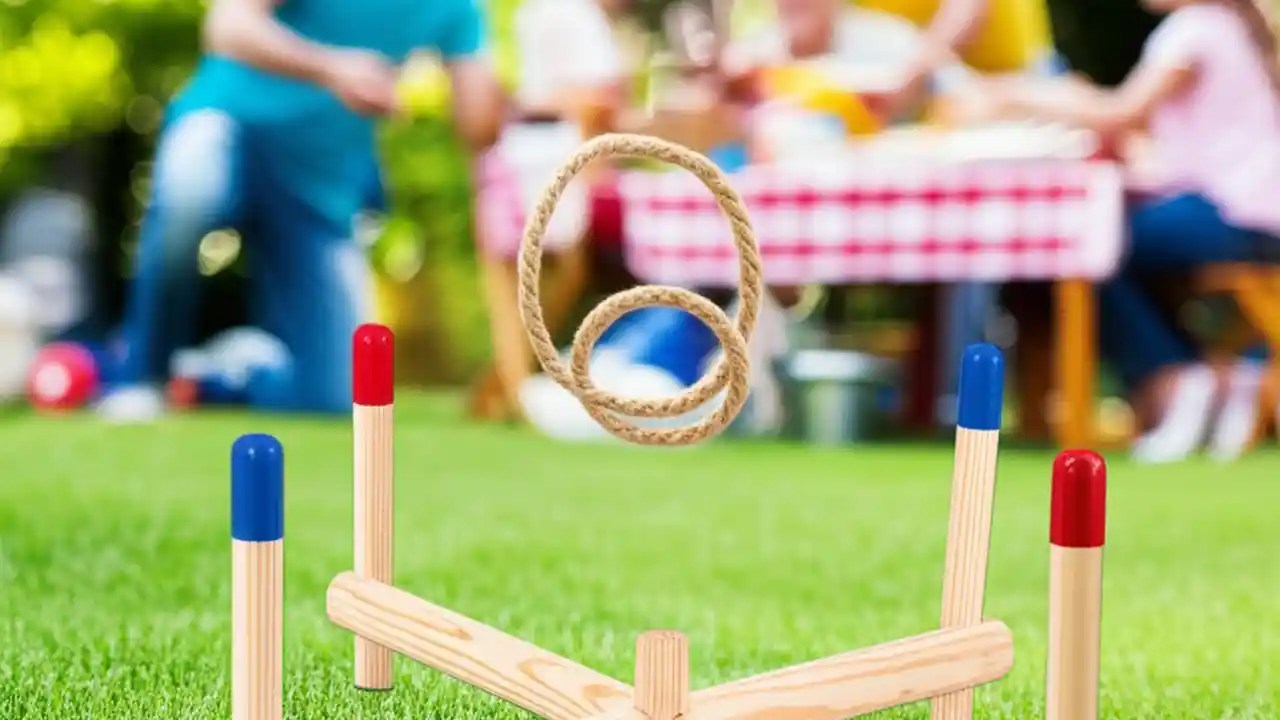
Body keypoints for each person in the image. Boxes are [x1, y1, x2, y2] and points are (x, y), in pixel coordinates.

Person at [100, 0, 503, 421]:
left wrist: (519, 95)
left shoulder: (458, 9)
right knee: (191, 187)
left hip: (319, 187)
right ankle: (143, 377)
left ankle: (234, 369)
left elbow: (478, 127)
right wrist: (333, 68)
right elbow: (228, 26)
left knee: (336, 395)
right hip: (230, 128)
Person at [958, 0, 1280, 462]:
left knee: (1089, 245)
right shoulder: (1228, 27)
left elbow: (1120, 113)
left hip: (1231, 214)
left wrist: (1015, 94)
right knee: (1104, 245)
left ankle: (1173, 379)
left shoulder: (1194, 27)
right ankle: (1203, 378)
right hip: (1248, 215)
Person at [470, 0, 633, 421]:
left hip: (527, 151)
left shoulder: (540, 14)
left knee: (532, 276)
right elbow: (598, 99)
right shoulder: (573, 15)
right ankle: (513, 388)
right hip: (548, 154)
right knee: (536, 272)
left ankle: (507, 385)